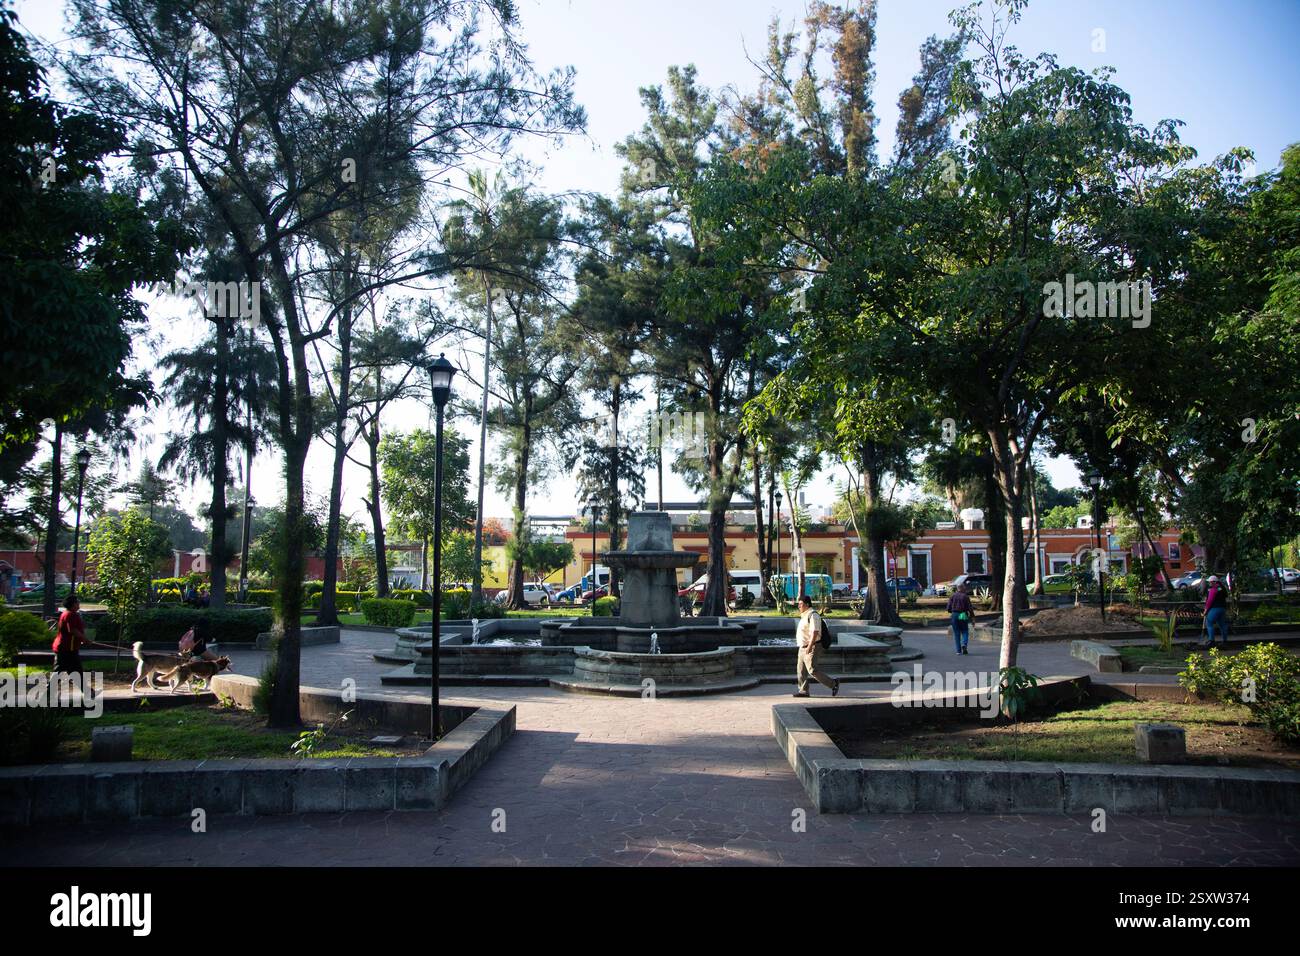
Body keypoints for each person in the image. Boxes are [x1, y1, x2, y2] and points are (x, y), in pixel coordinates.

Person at [50, 593, 112, 674]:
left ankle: (83, 686)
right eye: (77, 602)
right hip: (68, 648)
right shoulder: (70, 615)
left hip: (66, 647)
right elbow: (73, 630)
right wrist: (85, 639)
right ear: (73, 604)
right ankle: (51, 687)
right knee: (65, 670)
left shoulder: (67, 613)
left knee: (73, 671)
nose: (79, 603)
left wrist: (82, 639)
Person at [792, 594, 839, 698]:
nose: (799, 606)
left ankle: (833, 684)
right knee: (801, 670)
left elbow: (815, 632)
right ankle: (803, 691)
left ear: (807, 604)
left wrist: (809, 646)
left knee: (812, 670)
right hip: (802, 647)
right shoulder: (804, 615)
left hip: (813, 646)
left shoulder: (813, 615)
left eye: (801, 604)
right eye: (798, 604)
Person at [1203, 575, 1230, 648]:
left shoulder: (1213, 589)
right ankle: (1225, 641)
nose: (1209, 583)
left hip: (1215, 608)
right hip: (1222, 608)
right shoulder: (1221, 588)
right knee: (1222, 625)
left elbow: (1209, 601)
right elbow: (1226, 596)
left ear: (1214, 582)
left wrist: (1206, 610)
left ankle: (1211, 641)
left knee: (1209, 622)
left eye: (1210, 582)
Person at [947, 583, 974, 655]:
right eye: (964, 587)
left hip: (954, 615)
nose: (965, 589)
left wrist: (952, 611)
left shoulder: (952, 596)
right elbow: (970, 608)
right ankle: (964, 644)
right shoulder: (965, 596)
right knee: (965, 631)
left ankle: (958, 651)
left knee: (956, 633)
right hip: (963, 614)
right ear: (961, 588)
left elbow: (948, 608)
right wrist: (973, 618)